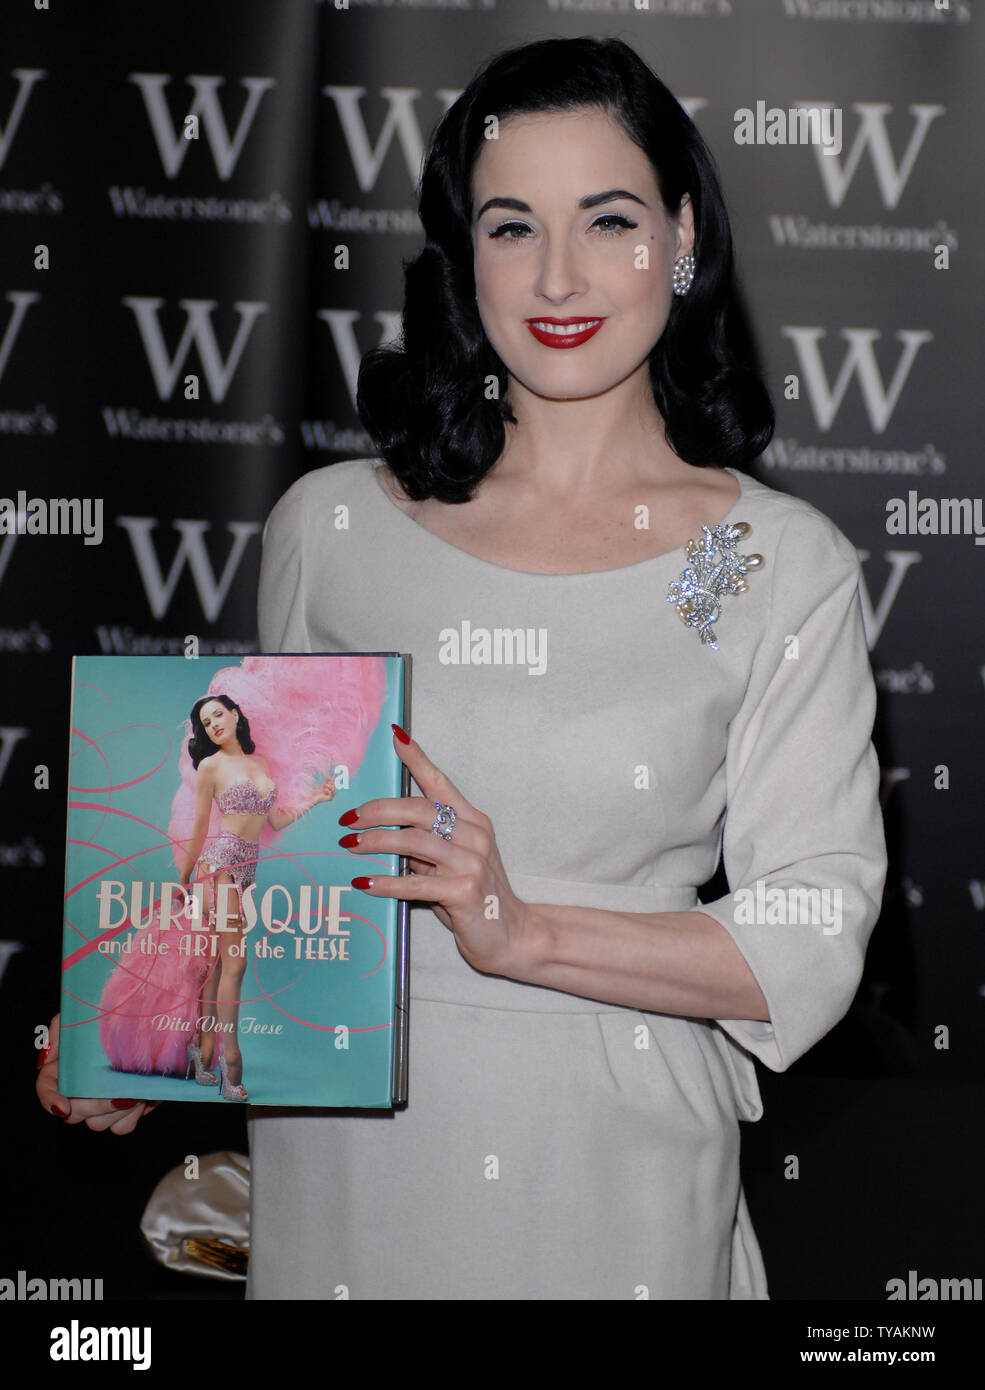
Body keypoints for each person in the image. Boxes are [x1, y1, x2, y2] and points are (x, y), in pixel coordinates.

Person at [38, 34, 887, 1297]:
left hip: (612, 1174)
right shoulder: (330, 527)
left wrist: (522, 929)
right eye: (510, 226)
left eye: (607, 220)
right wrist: (146, 1044)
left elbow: (811, 929)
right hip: (344, 1166)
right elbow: (287, 877)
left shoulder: (768, 560)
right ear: (462, 253)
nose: (557, 275)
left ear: (682, 236)